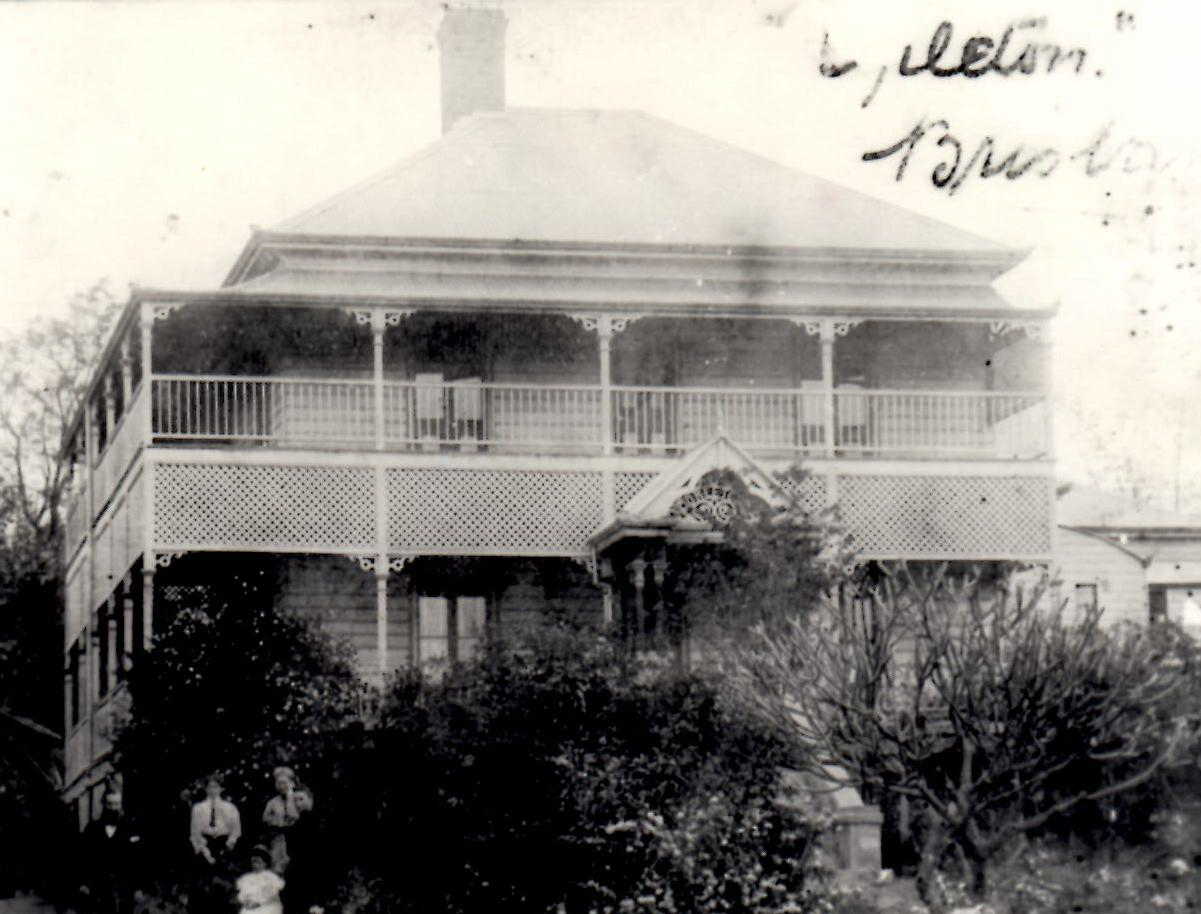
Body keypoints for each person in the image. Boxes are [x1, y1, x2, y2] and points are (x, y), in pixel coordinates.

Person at [78, 788, 142, 914]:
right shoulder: (92, 829)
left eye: (116, 804)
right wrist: (84, 883)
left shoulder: (129, 828)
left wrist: (138, 888)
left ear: (121, 804)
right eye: (110, 804)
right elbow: (83, 857)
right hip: (99, 887)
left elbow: (137, 859)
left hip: (124, 888)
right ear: (103, 804)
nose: (113, 808)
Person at [189, 775, 243, 913]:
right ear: (205, 789)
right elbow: (195, 832)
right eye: (209, 787)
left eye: (216, 787)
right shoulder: (198, 808)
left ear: (221, 788)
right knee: (204, 886)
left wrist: (230, 844)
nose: (212, 790)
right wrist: (204, 850)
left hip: (224, 846)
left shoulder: (230, 807)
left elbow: (236, 830)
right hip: (205, 846)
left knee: (224, 885)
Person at [261, 767, 313, 876]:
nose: (282, 786)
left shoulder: (298, 798)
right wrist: (277, 822)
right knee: (278, 866)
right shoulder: (273, 802)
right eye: (279, 783)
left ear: (292, 783)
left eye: (285, 783)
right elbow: (265, 819)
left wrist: (290, 798)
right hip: (278, 838)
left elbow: (298, 816)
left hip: (298, 838)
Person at [235, 846, 284, 914]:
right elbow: (242, 894)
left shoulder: (271, 877)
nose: (254, 865)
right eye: (253, 862)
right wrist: (245, 901)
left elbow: (271, 894)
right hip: (250, 906)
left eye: (258, 862)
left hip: (267, 907)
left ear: (265, 863)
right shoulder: (247, 878)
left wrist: (258, 903)